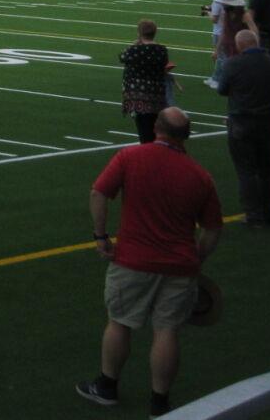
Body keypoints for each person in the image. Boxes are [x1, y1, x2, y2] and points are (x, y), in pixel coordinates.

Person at [77, 108, 222, 416]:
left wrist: (101, 237)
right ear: (186, 136)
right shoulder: (200, 175)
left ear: (156, 128)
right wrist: (196, 258)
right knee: (167, 331)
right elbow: (212, 230)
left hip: (132, 260)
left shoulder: (130, 157)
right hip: (179, 266)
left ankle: (107, 386)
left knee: (119, 322)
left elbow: (98, 193)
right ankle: (160, 402)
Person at [212, 30, 270, 227]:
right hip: (268, 123)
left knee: (246, 171)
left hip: (241, 122)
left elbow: (222, 90)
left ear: (239, 45)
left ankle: (253, 214)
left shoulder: (233, 64)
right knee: (267, 169)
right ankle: (269, 211)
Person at [120, 19, 172, 144]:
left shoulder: (134, 50)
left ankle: (148, 151)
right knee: (154, 127)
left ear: (139, 33)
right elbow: (164, 63)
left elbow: (122, 57)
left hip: (138, 96)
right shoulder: (161, 50)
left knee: (144, 130)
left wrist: (134, 44)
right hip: (157, 95)